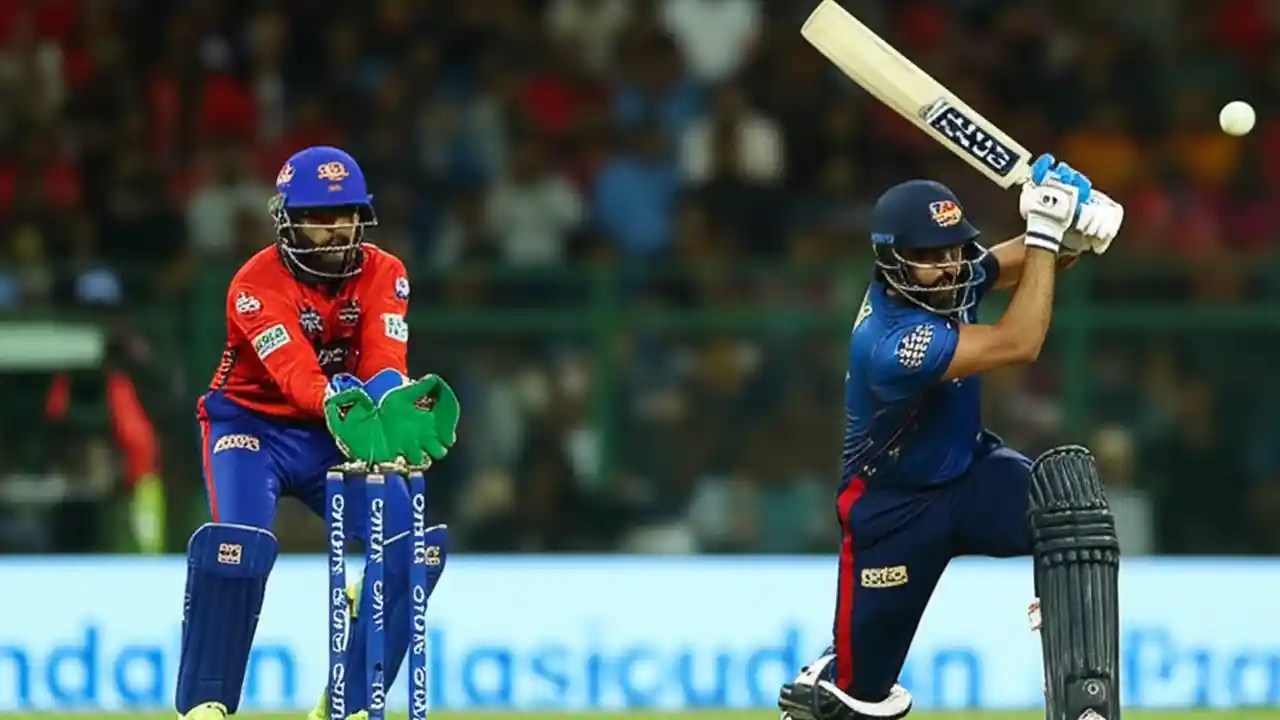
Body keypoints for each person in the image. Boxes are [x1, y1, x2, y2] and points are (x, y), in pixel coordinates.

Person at [777, 155, 1125, 720]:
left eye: (952, 250)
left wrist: (1074, 234)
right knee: (855, 701)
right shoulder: (893, 343)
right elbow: (1020, 342)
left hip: (970, 474)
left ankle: (1085, 705)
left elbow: (1015, 265)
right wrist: (1043, 227)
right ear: (891, 261)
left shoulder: (947, 278)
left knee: (1071, 515)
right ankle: (828, 682)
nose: (947, 267)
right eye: (927, 257)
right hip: (893, 514)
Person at [175, 146, 460, 720]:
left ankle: (350, 703)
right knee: (239, 549)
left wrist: (393, 405)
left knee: (415, 553)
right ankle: (205, 702)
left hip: (339, 430)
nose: (335, 230)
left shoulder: (387, 272)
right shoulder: (254, 284)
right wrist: (344, 405)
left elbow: (383, 360)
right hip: (252, 426)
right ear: (287, 220)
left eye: (347, 214)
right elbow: (296, 375)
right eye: (318, 217)